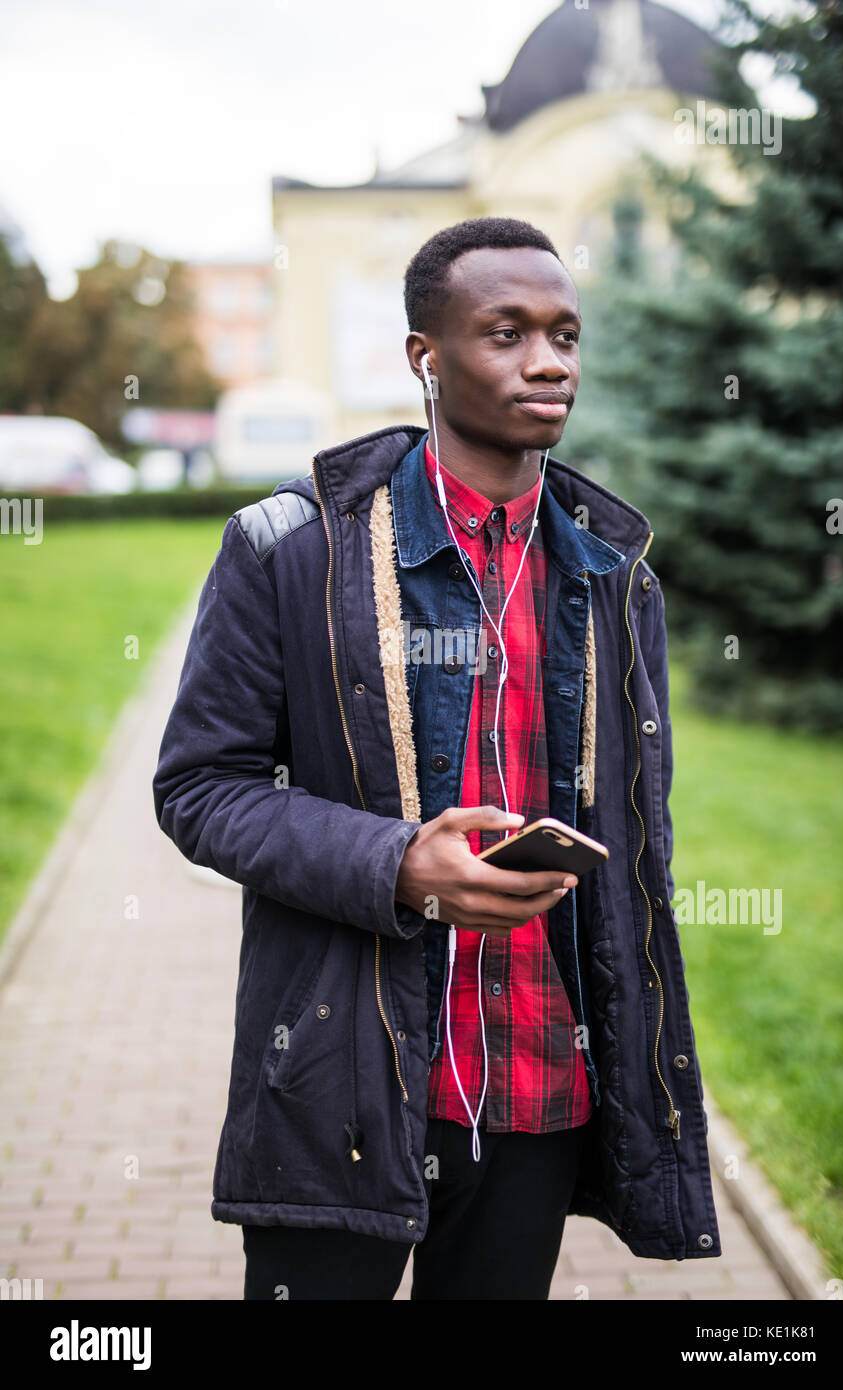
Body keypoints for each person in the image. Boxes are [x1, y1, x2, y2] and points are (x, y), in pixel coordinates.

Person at [152, 216, 721, 1301]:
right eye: (505, 332)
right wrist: (398, 862)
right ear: (425, 355)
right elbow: (198, 788)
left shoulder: (610, 572)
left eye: (564, 333)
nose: (548, 361)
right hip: (342, 1079)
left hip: (538, 1082)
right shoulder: (290, 549)